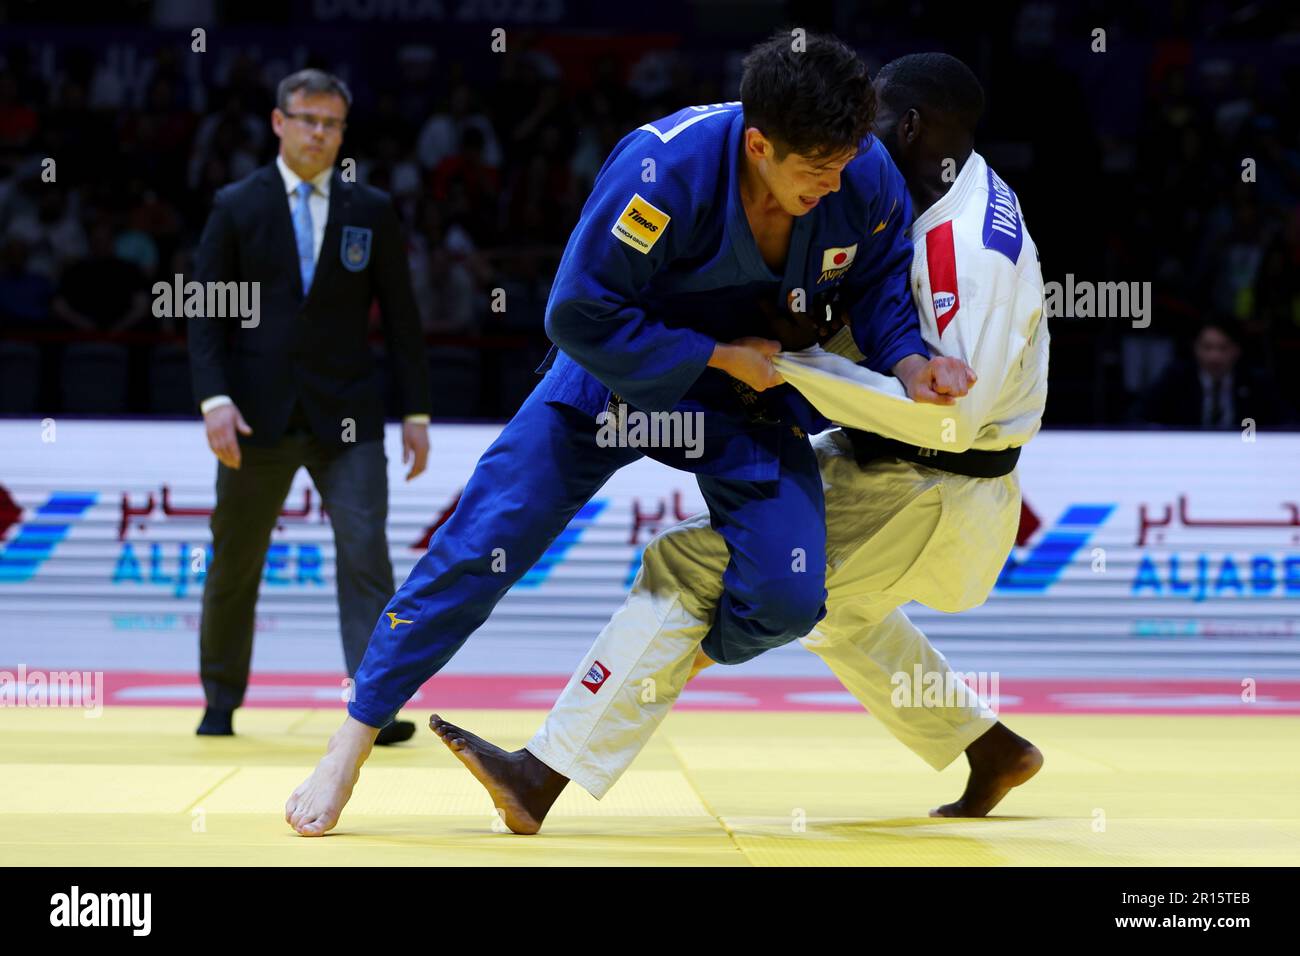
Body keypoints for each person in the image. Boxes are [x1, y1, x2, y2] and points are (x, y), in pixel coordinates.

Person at [286, 33, 969, 836]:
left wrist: (911, 359)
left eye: (847, 160)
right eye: (817, 167)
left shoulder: (861, 172)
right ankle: (353, 736)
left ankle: (675, 660)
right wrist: (715, 354)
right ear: (759, 145)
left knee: (789, 597)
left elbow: (881, 280)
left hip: (746, 402)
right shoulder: (662, 169)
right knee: (481, 544)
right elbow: (578, 313)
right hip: (612, 383)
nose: (836, 181)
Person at [428, 52, 1051, 833]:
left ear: (912, 126)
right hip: (930, 483)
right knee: (837, 613)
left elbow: (948, 420)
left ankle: (540, 774)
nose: (854, 144)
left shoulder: (966, 249)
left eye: (872, 126)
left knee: (694, 568)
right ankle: (989, 748)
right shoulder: (955, 191)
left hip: (932, 489)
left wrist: (787, 363)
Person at [189, 69, 431, 743]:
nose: (319, 134)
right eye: (307, 120)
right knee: (235, 559)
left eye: (332, 124)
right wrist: (213, 399)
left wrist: (416, 411)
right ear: (279, 122)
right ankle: (220, 699)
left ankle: (375, 709)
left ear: (343, 133)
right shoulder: (236, 205)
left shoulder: (370, 208)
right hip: (254, 416)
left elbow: (402, 318)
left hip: (347, 414)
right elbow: (205, 315)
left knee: (366, 557)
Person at [1138, 317, 1290, 429]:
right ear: (1195, 348)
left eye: (1223, 348)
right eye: (1207, 347)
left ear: (1237, 350)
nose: (1214, 357)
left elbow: (1287, 424)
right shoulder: (1175, 380)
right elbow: (1138, 418)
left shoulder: (1256, 382)